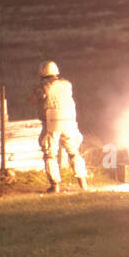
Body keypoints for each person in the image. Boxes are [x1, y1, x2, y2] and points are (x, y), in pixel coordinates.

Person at [32, 60, 89, 193]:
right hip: (69, 121)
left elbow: (33, 100)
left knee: (50, 153)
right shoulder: (67, 85)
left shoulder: (43, 87)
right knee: (74, 152)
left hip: (52, 120)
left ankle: (55, 185)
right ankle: (83, 184)